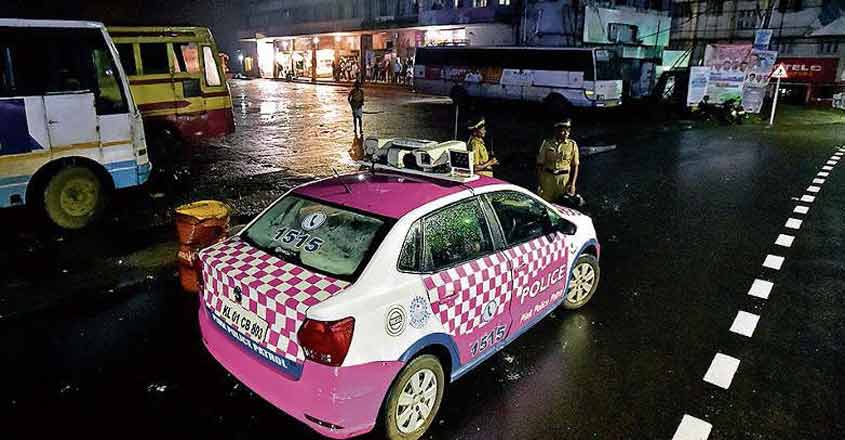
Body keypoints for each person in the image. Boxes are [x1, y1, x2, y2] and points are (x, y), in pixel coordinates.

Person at [536, 119, 580, 203]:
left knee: (562, 204)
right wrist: (541, 182)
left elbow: (575, 165)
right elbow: (539, 164)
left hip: (564, 180)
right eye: (563, 131)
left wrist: (572, 184)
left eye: (568, 131)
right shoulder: (546, 143)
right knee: (545, 204)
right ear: (556, 131)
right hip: (548, 179)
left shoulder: (572, 145)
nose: (566, 133)